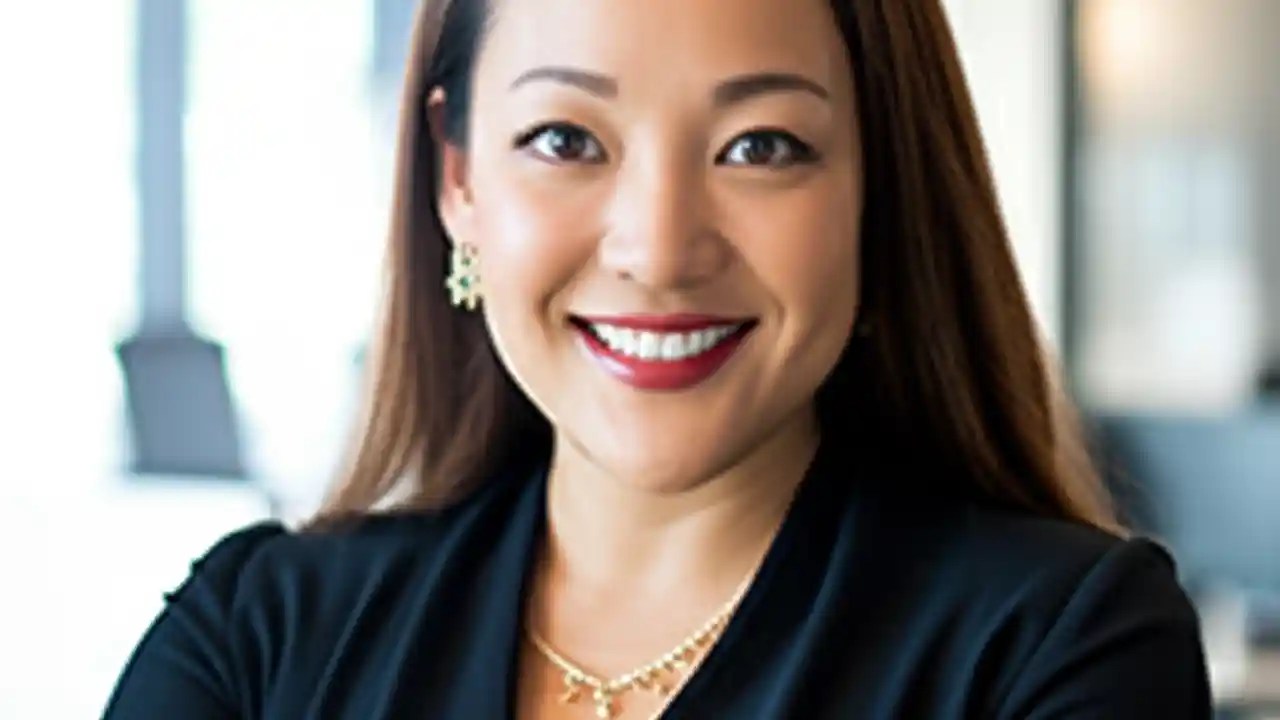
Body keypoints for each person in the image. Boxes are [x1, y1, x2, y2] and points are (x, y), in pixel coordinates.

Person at [104, 0, 1213, 717]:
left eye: (761, 147)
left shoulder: (1056, 655)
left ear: (878, 193)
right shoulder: (256, 641)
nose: (657, 250)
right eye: (565, 140)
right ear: (458, 182)